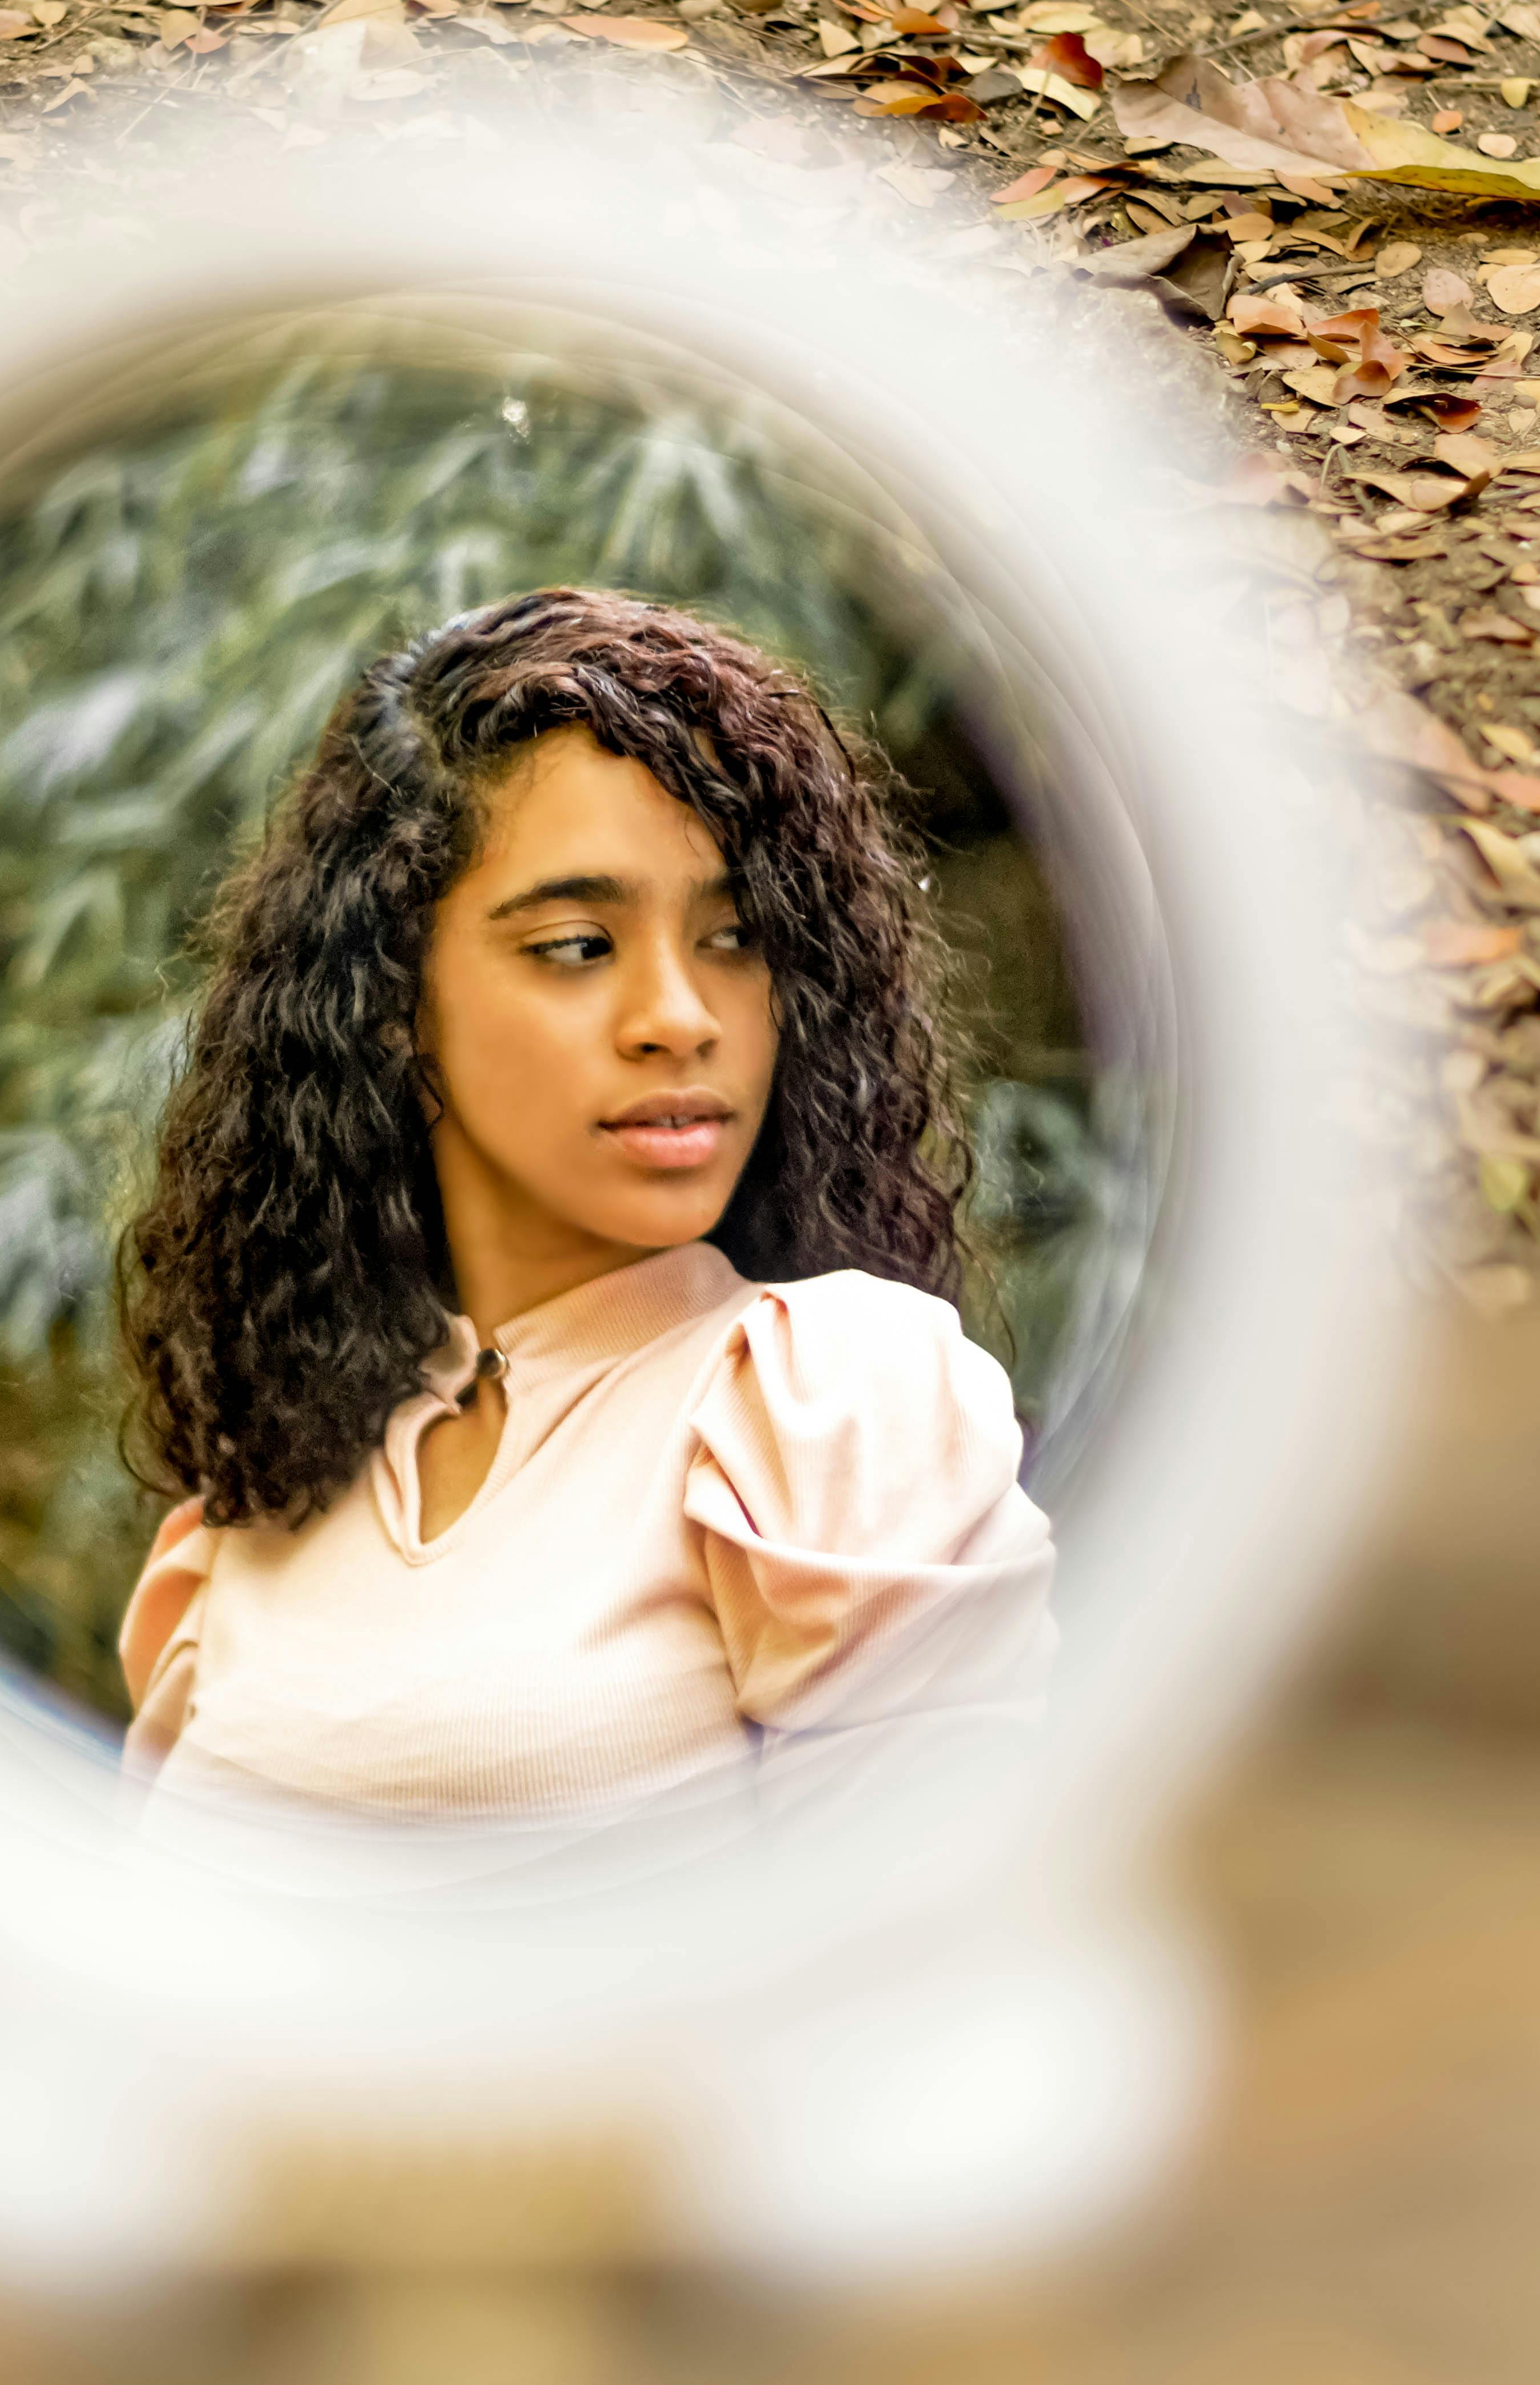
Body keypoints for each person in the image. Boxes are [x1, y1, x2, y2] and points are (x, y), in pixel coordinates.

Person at [114, 586, 1053, 1824]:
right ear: (394, 1006)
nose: (681, 1016)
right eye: (575, 945)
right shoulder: (247, 1525)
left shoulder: (823, 1405)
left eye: (733, 937)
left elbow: (928, 1939)